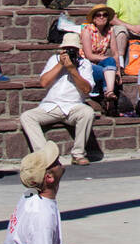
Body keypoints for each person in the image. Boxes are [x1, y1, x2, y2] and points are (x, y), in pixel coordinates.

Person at [20, 33, 95, 167]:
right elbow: (43, 82)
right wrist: (60, 65)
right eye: (67, 49)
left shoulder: (85, 64)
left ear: (79, 50)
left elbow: (86, 89)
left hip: (74, 106)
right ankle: (46, 156)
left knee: (88, 112)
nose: (70, 53)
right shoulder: (54, 60)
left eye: (73, 50)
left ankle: (78, 154)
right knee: (27, 117)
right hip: (52, 106)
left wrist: (72, 69)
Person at [80, 4, 120, 115]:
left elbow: (116, 53)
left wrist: (118, 71)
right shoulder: (87, 30)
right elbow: (88, 55)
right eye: (98, 15)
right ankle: (109, 97)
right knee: (106, 71)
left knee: (110, 62)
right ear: (93, 18)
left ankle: (109, 93)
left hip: (99, 63)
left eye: (105, 15)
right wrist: (106, 58)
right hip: (85, 64)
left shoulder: (110, 31)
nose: (102, 17)